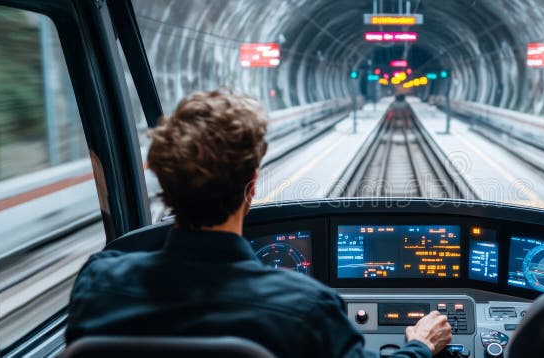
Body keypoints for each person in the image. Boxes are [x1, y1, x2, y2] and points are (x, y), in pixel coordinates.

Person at [65, 90, 452, 357]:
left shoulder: (98, 283)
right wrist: (419, 345)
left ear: (166, 186)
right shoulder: (306, 310)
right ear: (251, 187)